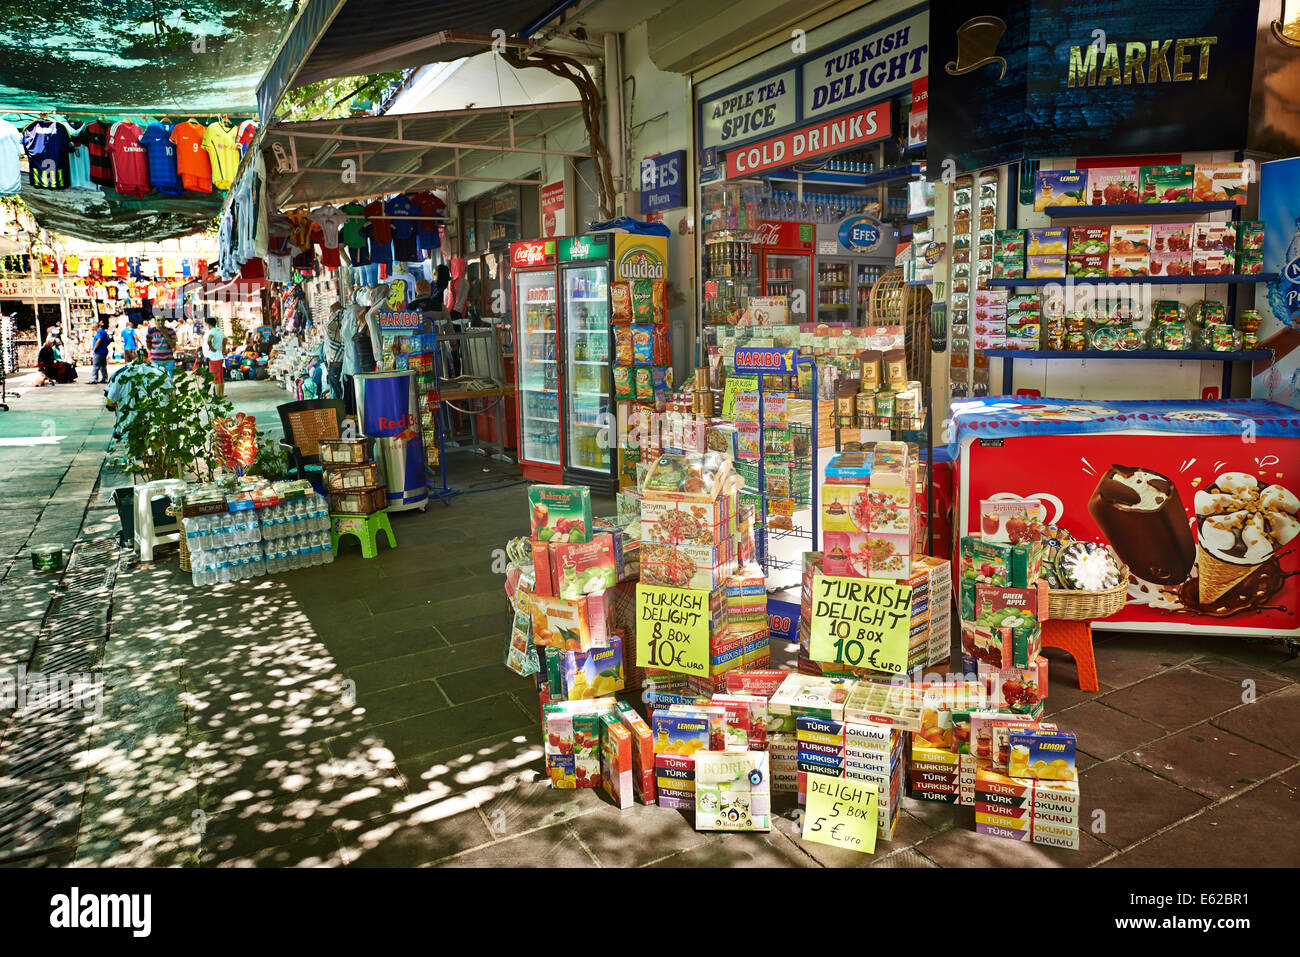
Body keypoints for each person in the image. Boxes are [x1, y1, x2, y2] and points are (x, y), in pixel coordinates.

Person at [202, 315, 227, 396]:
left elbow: (209, 340)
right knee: (220, 378)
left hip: (213, 357)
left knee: (216, 379)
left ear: (208, 324)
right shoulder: (219, 330)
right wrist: (223, 348)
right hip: (219, 356)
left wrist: (211, 347)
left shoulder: (212, 331)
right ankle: (221, 395)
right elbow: (225, 339)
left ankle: (218, 397)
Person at [90, 317, 111, 384]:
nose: (93, 329)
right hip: (104, 350)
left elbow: (99, 340)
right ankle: (104, 378)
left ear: (96, 326)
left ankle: (94, 379)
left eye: (93, 327)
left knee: (96, 365)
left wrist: (95, 348)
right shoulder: (104, 332)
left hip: (99, 351)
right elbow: (108, 340)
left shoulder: (99, 332)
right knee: (103, 366)